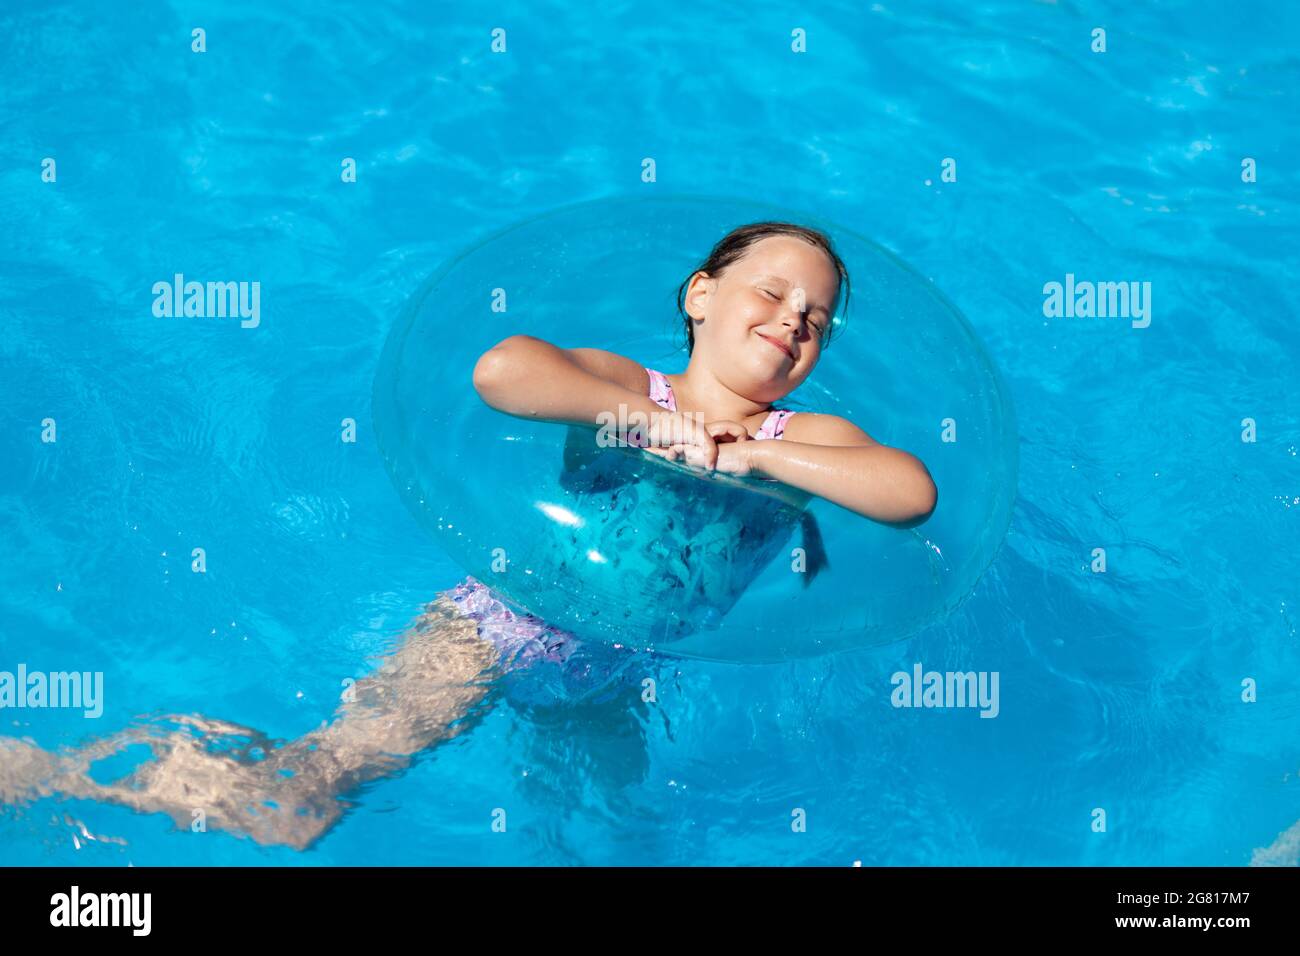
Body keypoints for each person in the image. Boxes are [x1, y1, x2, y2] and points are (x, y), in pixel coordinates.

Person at [0, 221, 936, 850]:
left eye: (814, 320)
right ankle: (56, 773)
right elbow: (504, 371)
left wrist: (757, 462)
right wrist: (646, 423)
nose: (791, 321)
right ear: (700, 296)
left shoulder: (800, 437)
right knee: (309, 797)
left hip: (622, 667)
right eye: (771, 293)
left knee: (611, 833)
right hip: (499, 629)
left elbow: (907, 492)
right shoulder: (633, 387)